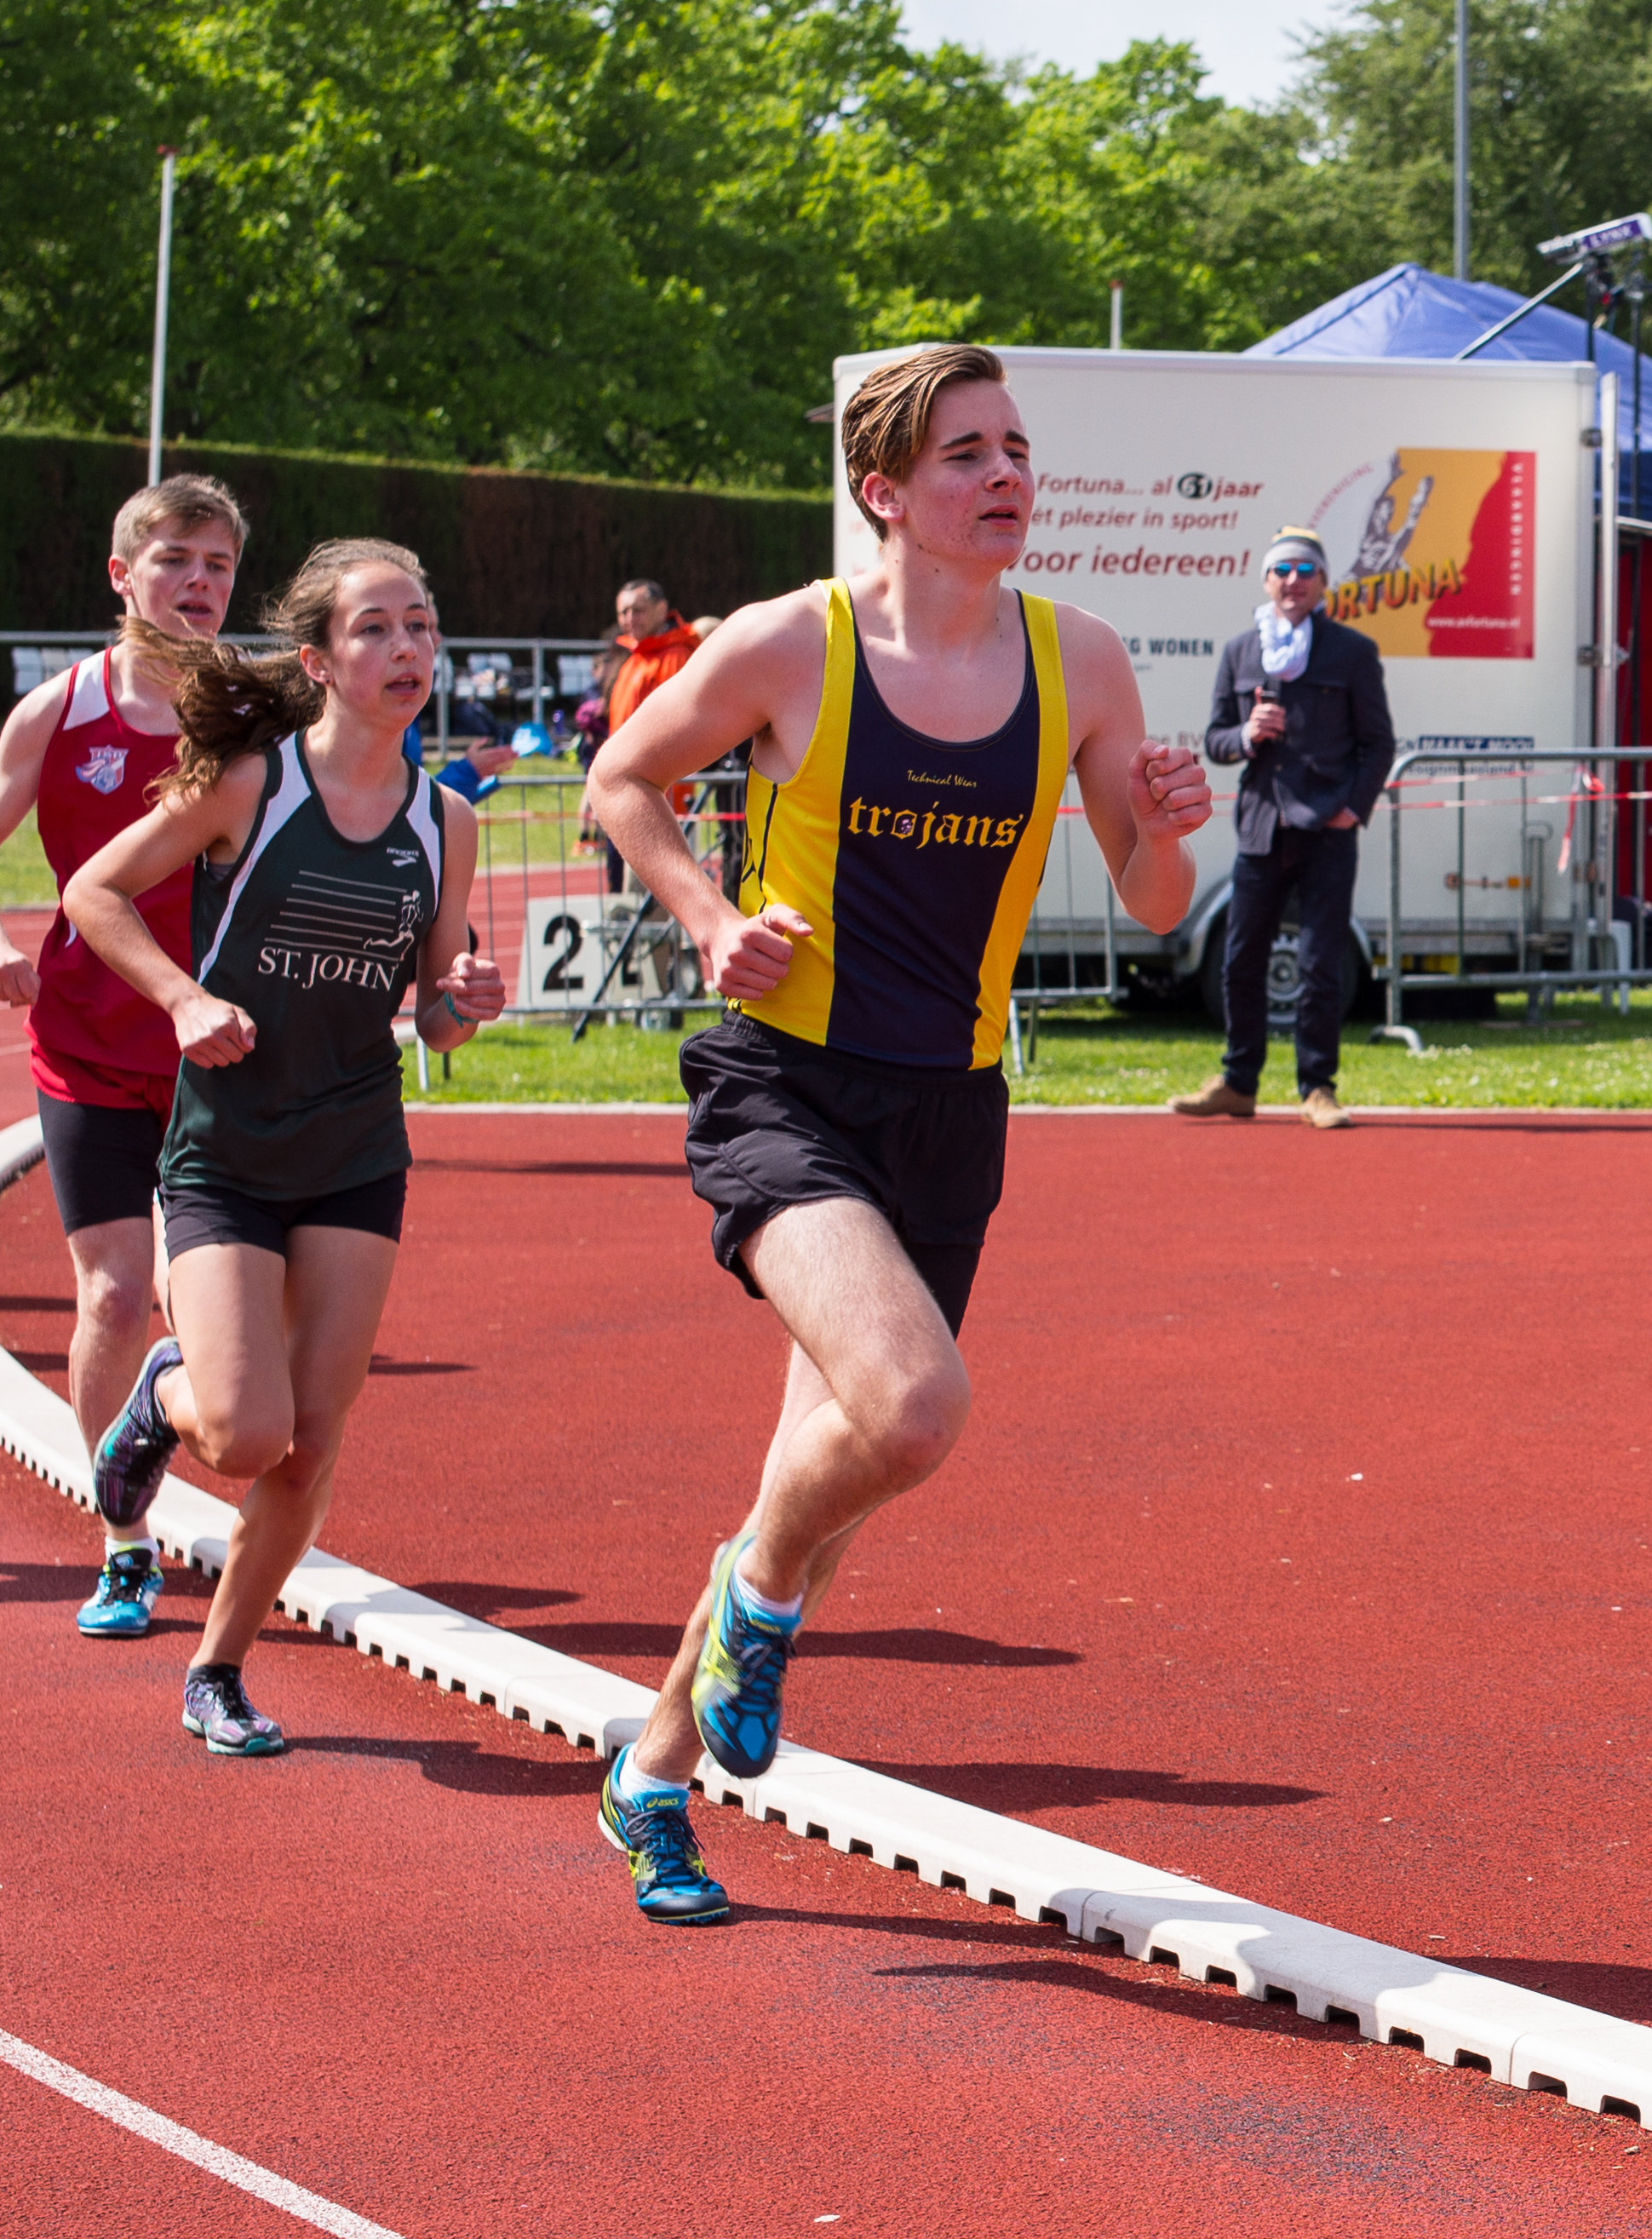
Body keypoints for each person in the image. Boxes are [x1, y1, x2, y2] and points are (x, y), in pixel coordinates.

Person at [582, 342, 1210, 1923]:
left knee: (833, 1463)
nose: (1005, 475)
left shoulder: (1082, 658)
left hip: (952, 1100)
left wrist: (1169, 825)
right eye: (964, 456)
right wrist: (712, 917)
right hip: (786, 1083)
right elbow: (620, 781)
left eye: (1014, 447)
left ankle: (652, 1772)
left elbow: (1154, 905)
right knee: (915, 1407)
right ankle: (758, 1596)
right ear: (886, 492)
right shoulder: (793, 640)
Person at [61, 537, 502, 1751]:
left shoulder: (446, 821)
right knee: (245, 1429)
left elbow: (438, 1014)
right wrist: (181, 1000)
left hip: (357, 1148)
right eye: (376, 628)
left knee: (310, 1443)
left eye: (421, 624)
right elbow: (93, 893)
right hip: (226, 1148)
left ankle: (219, 1669)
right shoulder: (249, 786)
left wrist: (469, 1001)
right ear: (318, 661)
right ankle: (162, 1394)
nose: (407, 648)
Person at [0, 473, 249, 1639]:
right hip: (84, 1040)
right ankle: (124, 1542)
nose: (201, 583)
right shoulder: (62, 709)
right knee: (115, 1294)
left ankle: (158, 1421)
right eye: (177, 560)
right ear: (123, 575)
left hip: (219, 1047)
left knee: (192, 1302)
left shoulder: (259, 713)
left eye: (218, 565)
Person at [1167, 527, 1395, 1132]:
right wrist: (1246, 735)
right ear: (1267, 581)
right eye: (1282, 570)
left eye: (1305, 570)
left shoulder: (1352, 651)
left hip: (1327, 829)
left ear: (1322, 583)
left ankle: (1317, 1087)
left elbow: (1378, 744)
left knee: (1322, 963)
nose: (1293, 580)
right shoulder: (1242, 651)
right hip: (1261, 827)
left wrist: (1354, 807)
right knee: (1240, 960)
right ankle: (1239, 1082)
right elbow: (1215, 738)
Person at [583, 579, 703, 894]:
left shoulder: (675, 656)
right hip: (626, 795)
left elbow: (675, 728)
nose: (629, 619)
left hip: (657, 799)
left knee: (656, 901)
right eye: (623, 612)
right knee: (628, 897)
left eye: (638, 610)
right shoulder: (633, 658)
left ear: (662, 610)